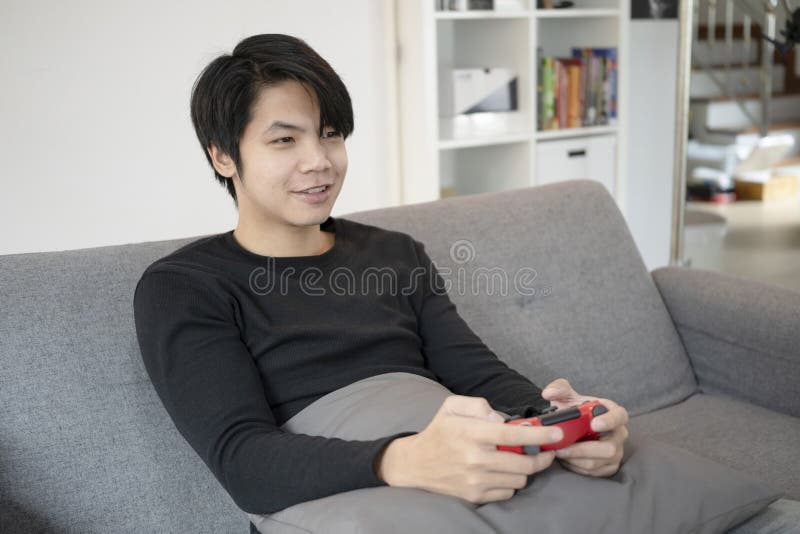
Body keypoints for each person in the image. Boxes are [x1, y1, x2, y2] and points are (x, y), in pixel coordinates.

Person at [132, 33, 631, 532]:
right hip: (341, 494)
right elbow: (243, 462)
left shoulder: (394, 253)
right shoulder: (185, 286)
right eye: (285, 140)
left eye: (330, 134)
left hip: (453, 458)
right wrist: (407, 459)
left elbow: (476, 372)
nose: (319, 160)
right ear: (223, 155)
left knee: (644, 484)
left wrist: (558, 417)